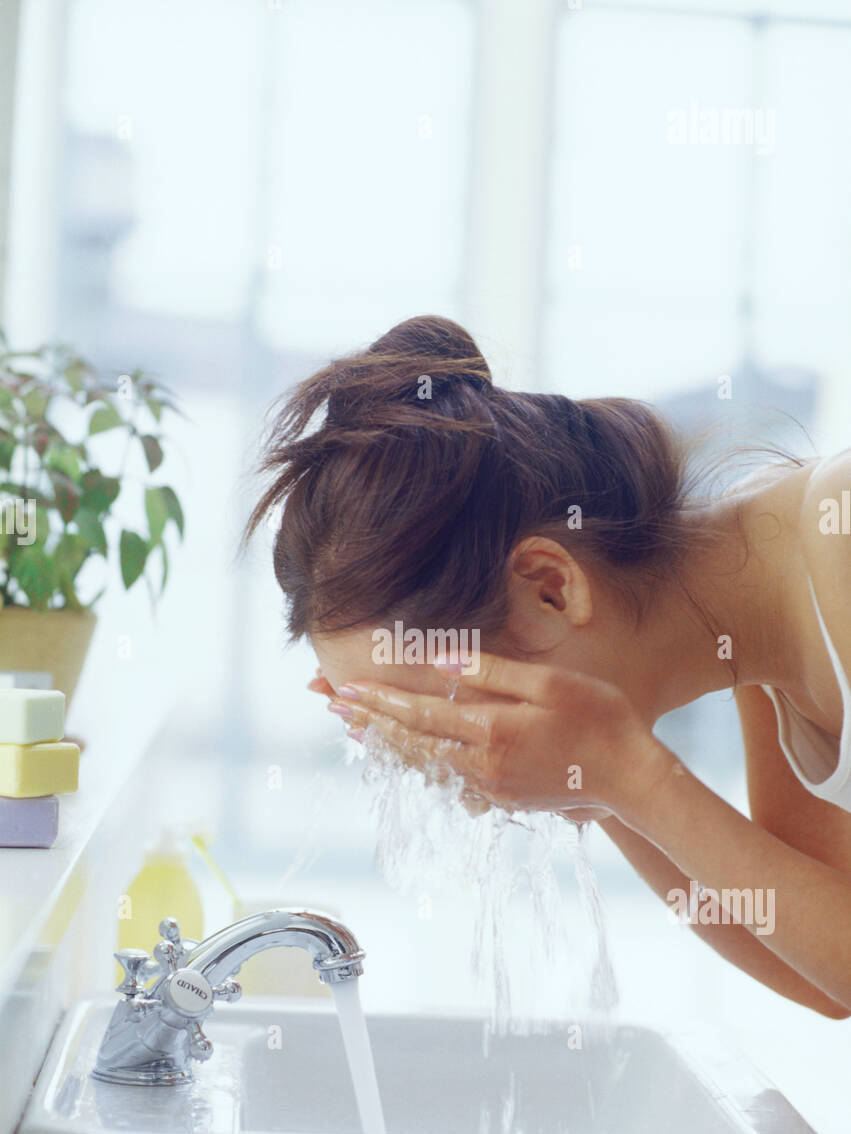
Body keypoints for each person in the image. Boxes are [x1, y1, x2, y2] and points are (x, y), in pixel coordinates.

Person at [245, 314, 851, 1018]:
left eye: (451, 702)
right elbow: (823, 975)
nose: (458, 745)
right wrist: (597, 786)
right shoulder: (754, 619)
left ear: (549, 587)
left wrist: (630, 775)